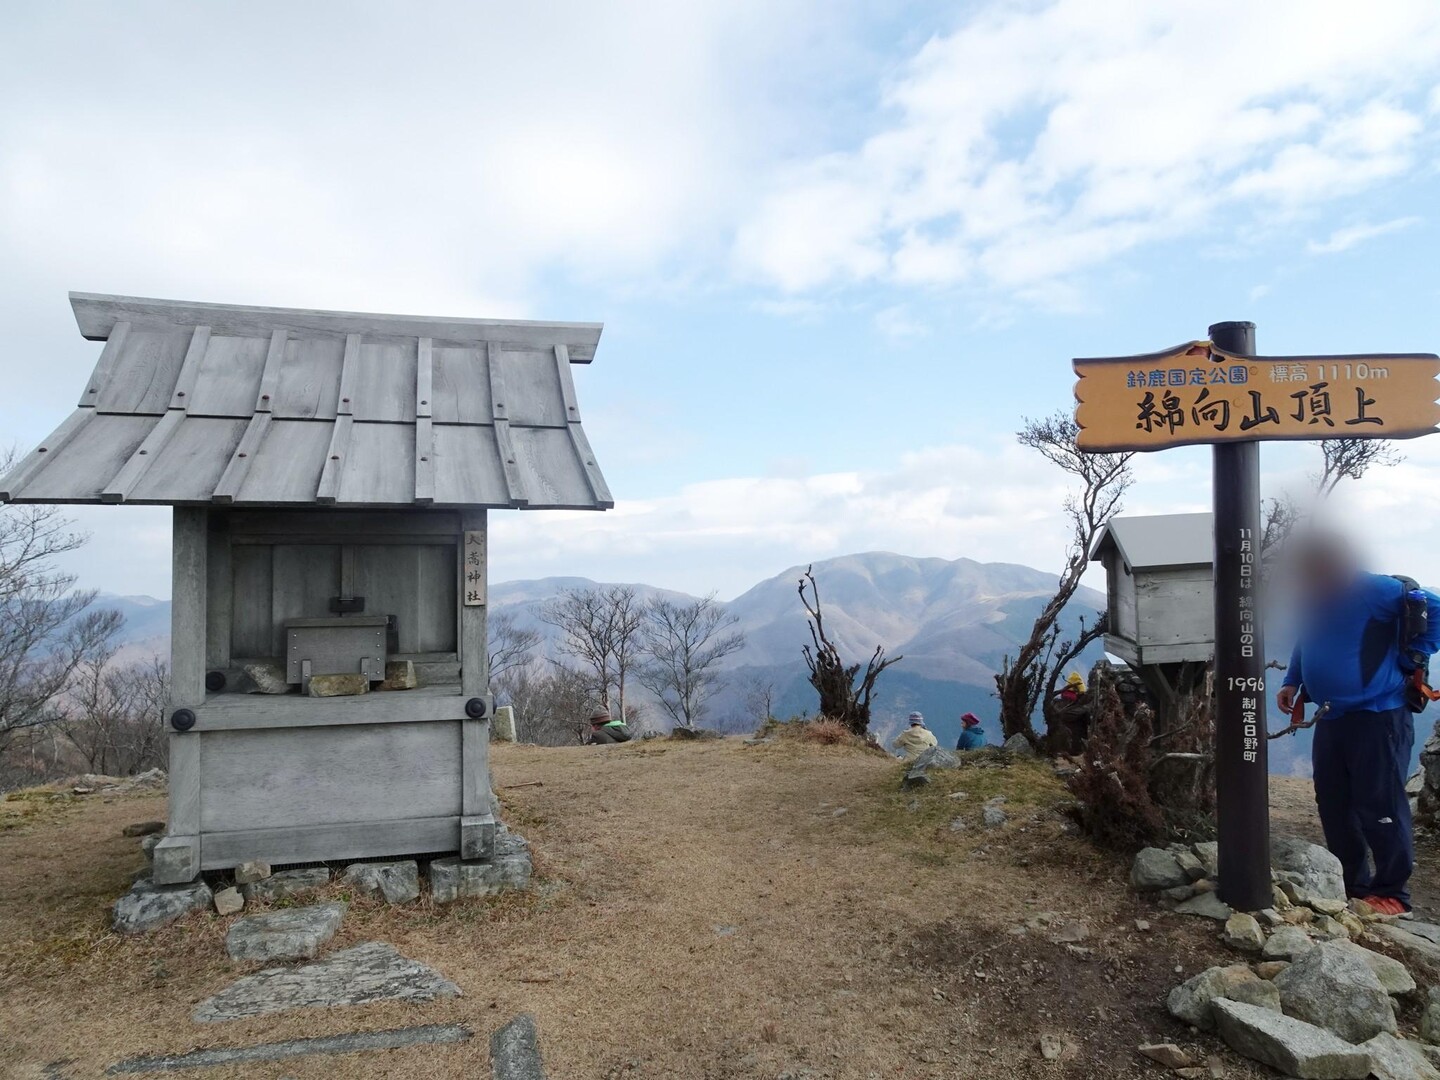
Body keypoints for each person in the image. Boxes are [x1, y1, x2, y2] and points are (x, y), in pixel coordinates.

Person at [1277, 532, 1440, 915]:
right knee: (1334, 803)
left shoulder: (1372, 589)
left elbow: (1434, 610)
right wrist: (1292, 680)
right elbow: (1308, 639)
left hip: (1379, 715)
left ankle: (1392, 894)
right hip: (1332, 715)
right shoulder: (1314, 596)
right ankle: (1352, 885)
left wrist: (1415, 654)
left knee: (1379, 803)